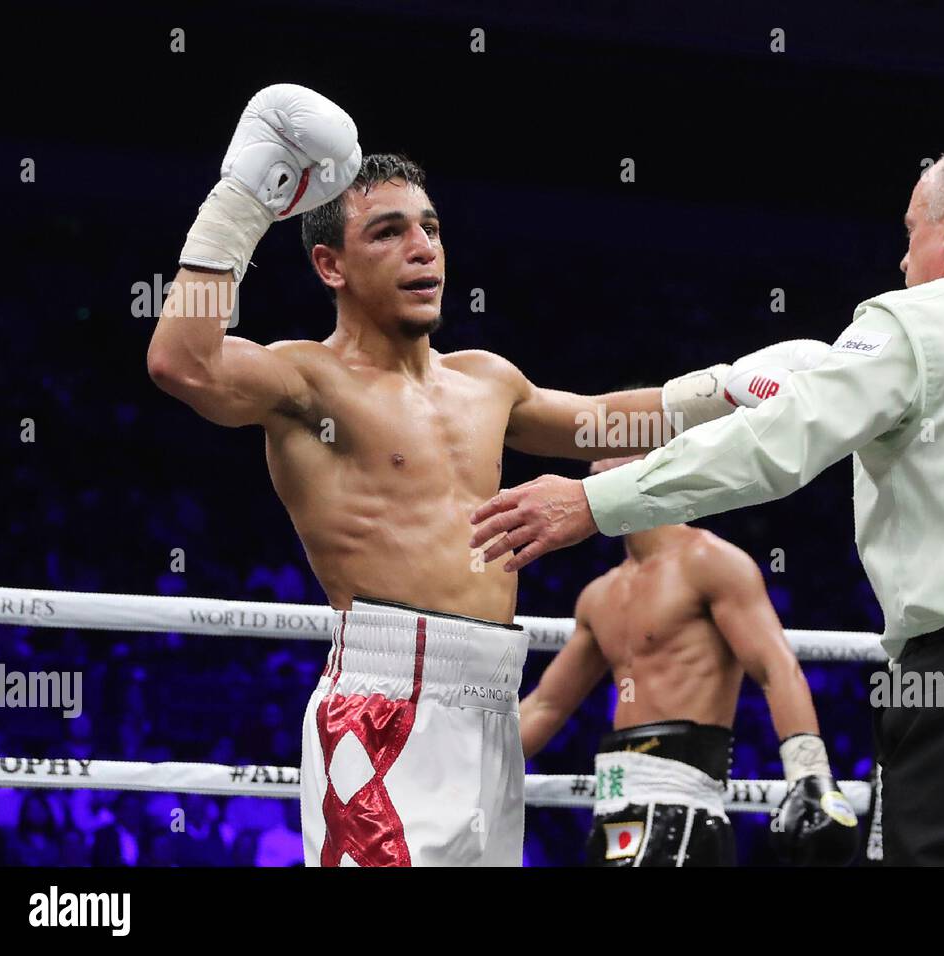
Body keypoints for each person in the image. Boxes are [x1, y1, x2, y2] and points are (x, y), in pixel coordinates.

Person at [469, 139, 944, 866]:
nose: (903, 260)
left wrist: (595, 500)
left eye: (911, 230)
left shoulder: (918, 322)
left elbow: (773, 445)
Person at [146, 84, 828, 866]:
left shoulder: (486, 379)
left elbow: (601, 423)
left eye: (431, 228)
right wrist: (240, 203)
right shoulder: (308, 381)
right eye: (390, 232)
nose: (423, 248)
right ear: (330, 264)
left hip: (492, 708)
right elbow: (182, 364)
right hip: (381, 707)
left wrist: (725, 388)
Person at [520, 456, 858, 866]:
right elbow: (547, 705)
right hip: (612, 811)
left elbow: (775, 667)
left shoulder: (710, 563)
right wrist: (469, 765)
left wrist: (809, 774)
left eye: (610, 455)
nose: (594, 470)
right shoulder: (599, 595)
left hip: (683, 807)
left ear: (649, 460)